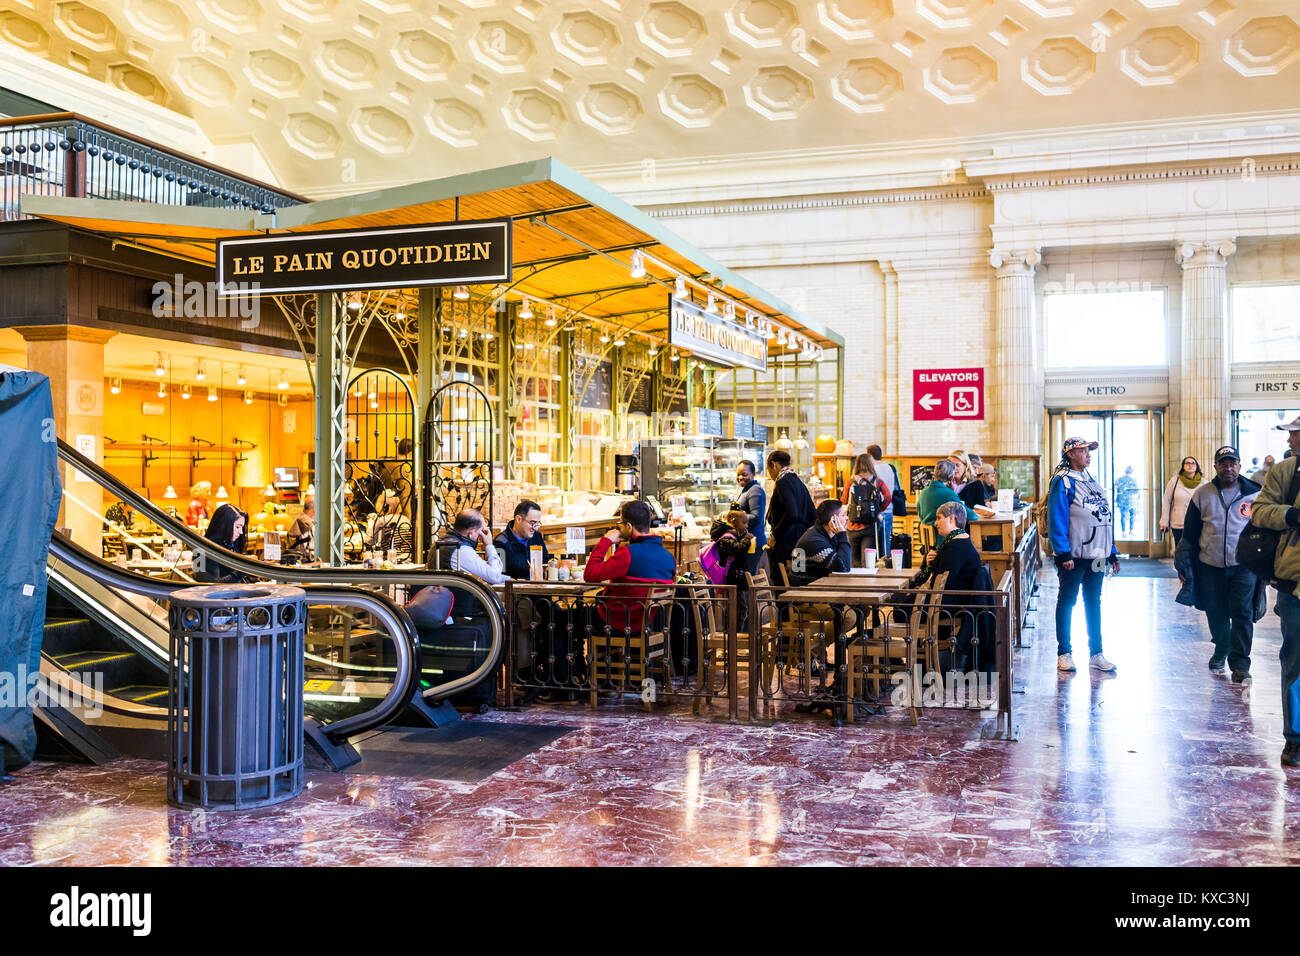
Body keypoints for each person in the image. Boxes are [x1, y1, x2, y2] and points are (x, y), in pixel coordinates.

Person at [1175, 445, 1262, 682]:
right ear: (1215, 467)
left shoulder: (1256, 494)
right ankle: (1222, 647)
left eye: (1233, 463)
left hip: (1244, 566)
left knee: (1243, 614)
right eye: (1223, 464)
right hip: (1210, 564)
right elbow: (1190, 535)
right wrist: (1183, 565)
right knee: (1215, 612)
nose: (1228, 468)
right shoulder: (1202, 494)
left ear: (1240, 466)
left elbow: (1265, 533)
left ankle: (1241, 664)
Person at [1249, 415, 1300, 767]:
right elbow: (1258, 511)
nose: (1291, 440)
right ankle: (1294, 738)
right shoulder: (1285, 471)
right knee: (1295, 664)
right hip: (1294, 587)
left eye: (1294, 434)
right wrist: (1291, 515)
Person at [1048, 437, 1120, 673]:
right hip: (1074, 556)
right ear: (1070, 454)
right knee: (1068, 601)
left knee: (1094, 602)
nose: (1088, 454)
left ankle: (1096, 653)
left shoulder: (1091, 480)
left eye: (1089, 450)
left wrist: (1112, 551)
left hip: (1098, 556)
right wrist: (1062, 552)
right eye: (1083, 450)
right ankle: (1064, 653)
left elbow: (1104, 518)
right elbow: (1056, 518)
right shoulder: (1063, 481)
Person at [584, 500, 676, 634]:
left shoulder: (627, 554)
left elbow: (590, 574)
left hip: (617, 623)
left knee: (559, 617)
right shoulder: (668, 556)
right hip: (649, 625)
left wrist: (606, 541)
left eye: (620, 524)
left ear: (628, 526)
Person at [765, 449, 815, 578]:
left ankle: (786, 599)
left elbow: (792, 514)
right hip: (800, 542)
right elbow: (812, 514)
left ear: (774, 464)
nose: (769, 472)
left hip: (786, 545)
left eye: (768, 468)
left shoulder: (783, 483)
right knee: (798, 579)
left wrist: (775, 533)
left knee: (782, 581)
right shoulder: (798, 482)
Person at [432, 509, 508, 585]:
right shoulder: (460, 550)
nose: (483, 534)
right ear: (471, 533)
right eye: (481, 530)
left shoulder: (440, 542)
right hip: (454, 595)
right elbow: (494, 577)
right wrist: (489, 545)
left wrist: (506, 578)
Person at [790, 498, 852, 587]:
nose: (847, 518)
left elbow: (845, 561)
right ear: (833, 519)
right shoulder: (814, 540)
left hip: (819, 584)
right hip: (806, 590)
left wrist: (841, 536)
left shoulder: (826, 534)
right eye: (843, 515)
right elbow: (843, 567)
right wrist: (842, 535)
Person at [842, 453, 890, 566]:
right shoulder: (877, 481)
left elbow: (843, 500)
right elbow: (888, 496)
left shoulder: (851, 481)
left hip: (852, 525)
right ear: (871, 464)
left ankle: (854, 582)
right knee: (868, 561)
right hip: (870, 526)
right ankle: (868, 581)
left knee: (854, 561)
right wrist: (879, 511)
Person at [194, 503, 250, 583]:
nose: (241, 532)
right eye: (237, 527)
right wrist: (241, 571)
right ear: (224, 525)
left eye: (242, 527)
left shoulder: (231, 543)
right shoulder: (202, 550)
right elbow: (213, 585)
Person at [494, 499, 549, 580]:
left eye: (537, 524)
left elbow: (545, 560)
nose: (536, 528)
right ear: (518, 519)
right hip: (514, 590)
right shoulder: (501, 543)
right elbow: (500, 575)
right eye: (532, 523)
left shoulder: (536, 535)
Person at [918, 458, 979, 528]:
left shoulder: (923, 492)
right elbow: (971, 516)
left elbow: (920, 515)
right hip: (944, 537)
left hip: (926, 536)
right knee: (967, 537)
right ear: (952, 477)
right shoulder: (949, 494)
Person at [1159, 456, 1206, 546]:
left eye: (1193, 463)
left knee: (1197, 553)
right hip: (1179, 524)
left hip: (1198, 524)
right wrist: (1164, 521)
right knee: (1181, 553)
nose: (1190, 465)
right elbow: (1167, 501)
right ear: (1183, 466)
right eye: (1187, 463)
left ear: (1197, 466)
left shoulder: (1204, 483)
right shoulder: (1174, 481)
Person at [732, 460, 766, 575]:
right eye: (738, 474)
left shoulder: (755, 489)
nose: (740, 477)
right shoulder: (746, 490)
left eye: (744, 474)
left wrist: (734, 517)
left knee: (747, 579)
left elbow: (756, 517)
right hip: (746, 542)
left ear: (753, 474)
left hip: (753, 542)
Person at [867, 443, 900, 553]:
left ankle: (878, 566)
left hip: (878, 511)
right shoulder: (890, 468)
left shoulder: (873, 470)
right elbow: (896, 487)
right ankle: (886, 564)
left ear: (870, 456)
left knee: (875, 543)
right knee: (886, 541)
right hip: (890, 509)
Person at [366, 490, 413, 561]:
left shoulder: (383, 520)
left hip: (391, 560)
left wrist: (371, 522)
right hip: (407, 558)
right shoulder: (404, 519)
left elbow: (370, 541)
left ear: (383, 505)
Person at [285, 495, 315, 560]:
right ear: (315, 508)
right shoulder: (308, 524)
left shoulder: (298, 519)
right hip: (304, 561)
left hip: (295, 559)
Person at [1114, 465, 1140, 536]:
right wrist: (1138, 501)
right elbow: (1137, 491)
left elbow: (1115, 490)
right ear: (1132, 472)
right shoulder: (1134, 480)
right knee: (1133, 515)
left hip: (1122, 501)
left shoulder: (1119, 479)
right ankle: (1131, 531)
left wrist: (1115, 499)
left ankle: (1123, 531)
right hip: (1132, 501)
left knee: (1123, 516)